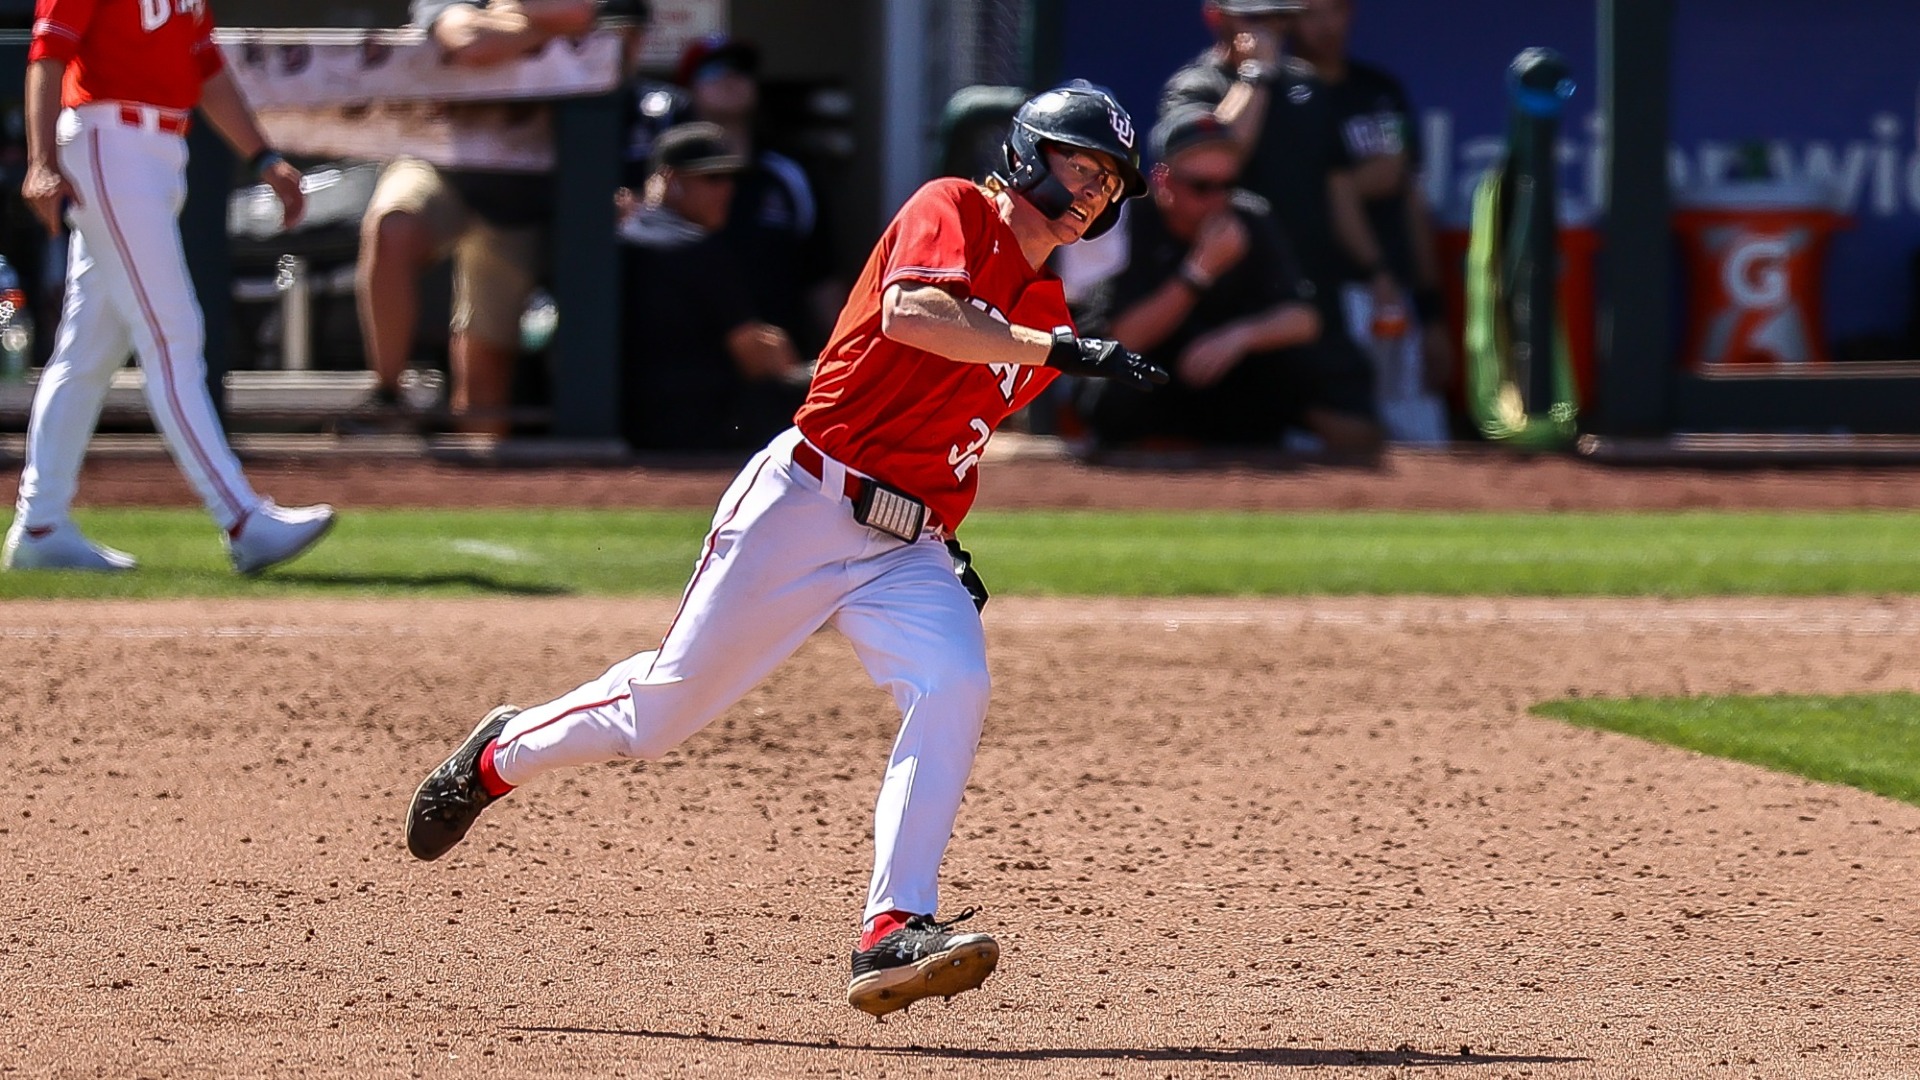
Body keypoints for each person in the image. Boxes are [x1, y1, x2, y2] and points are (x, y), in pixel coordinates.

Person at [403, 82, 1167, 1018]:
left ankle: (893, 929)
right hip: (805, 501)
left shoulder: (1042, 299)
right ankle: (496, 755)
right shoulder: (954, 208)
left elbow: (943, 429)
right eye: (1079, 163)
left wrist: (947, 535)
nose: (1091, 189)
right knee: (661, 717)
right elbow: (914, 316)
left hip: (905, 541)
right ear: (1026, 152)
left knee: (954, 682)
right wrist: (1060, 349)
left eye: (1109, 180)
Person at [4, 0, 337, 573]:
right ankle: (241, 518)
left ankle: (41, 526)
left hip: (159, 151)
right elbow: (47, 52)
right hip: (109, 140)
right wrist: (41, 161)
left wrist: (263, 155)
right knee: (173, 336)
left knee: (87, 351)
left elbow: (203, 62)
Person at [350, 0, 601, 436]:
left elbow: (584, 12)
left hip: (517, 194)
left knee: (483, 396)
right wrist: (545, 31)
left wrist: (521, 26)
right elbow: (470, 42)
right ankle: (388, 390)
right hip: (440, 163)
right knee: (394, 224)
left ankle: (477, 491)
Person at [1082, 107, 1378, 455]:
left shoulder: (1249, 216)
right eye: (1201, 186)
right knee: (1111, 382)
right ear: (1163, 181)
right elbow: (1121, 339)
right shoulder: (1127, 221)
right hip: (1152, 380)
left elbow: (1304, 319)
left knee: (1306, 364)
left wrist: (1239, 337)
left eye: (1228, 185)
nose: (1217, 199)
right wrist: (1198, 273)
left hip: (1221, 376)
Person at [1159, 0, 1398, 330]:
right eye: (1252, 16)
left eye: (1276, 16)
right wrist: (1256, 76)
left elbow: (1336, 188)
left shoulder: (1309, 85)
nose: (1265, 27)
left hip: (1311, 279)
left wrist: (1375, 268)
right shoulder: (1195, 86)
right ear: (1216, 16)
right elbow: (1223, 155)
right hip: (1235, 281)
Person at [1289, 0, 1453, 440]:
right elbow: (1315, 195)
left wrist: (1431, 312)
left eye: (1335, 11)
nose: (1325, 25)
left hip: (1391, 291)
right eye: (1311, 12)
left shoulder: (1379, 90)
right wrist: (1359, 182)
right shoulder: (1288, 95)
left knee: (1419, 428)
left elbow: (1409, 197)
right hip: (1322, 293)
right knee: (1326, 434)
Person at [618, 35, 839, 355]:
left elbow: (820, 277)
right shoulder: (656, 174)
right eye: (712, 70)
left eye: (741, 69)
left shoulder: (790, 177)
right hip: (677, 366)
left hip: (769, 365)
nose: (730, 77)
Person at [619, 122, 807, 451]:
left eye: (729, 178)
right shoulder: (697, 250)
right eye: (711, 178)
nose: (726, 190)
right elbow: (754, 357)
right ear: (670, 180)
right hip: (702, 426)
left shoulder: (620, 240)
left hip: (629, 419)